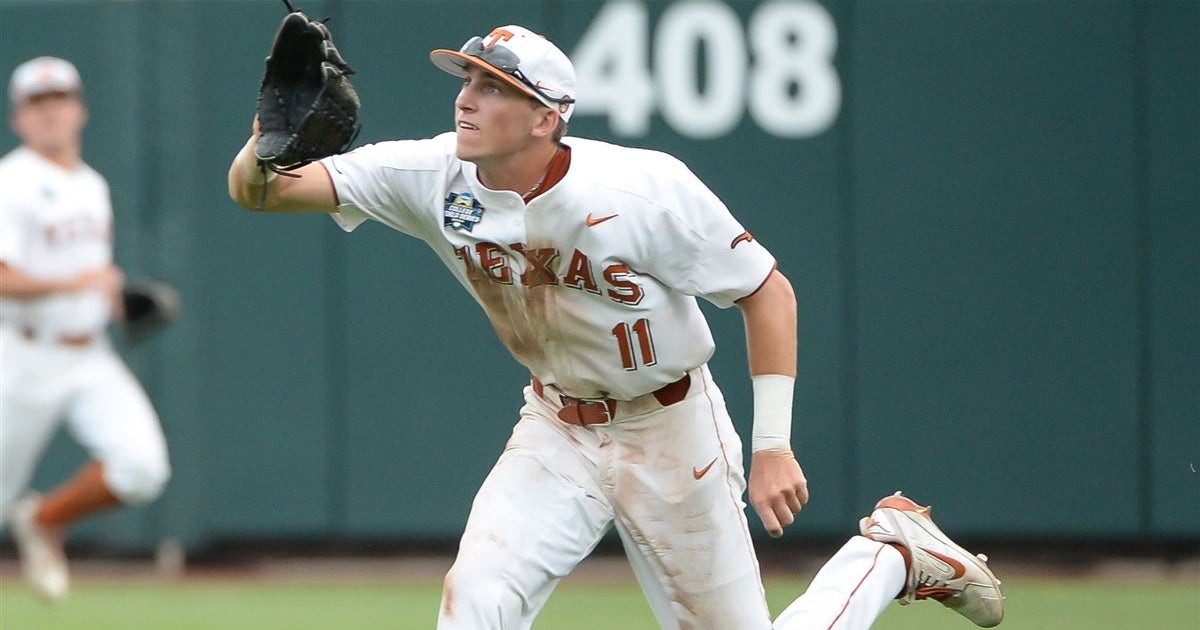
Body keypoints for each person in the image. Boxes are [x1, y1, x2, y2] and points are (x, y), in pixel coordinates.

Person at [228, 25, 1003, 629]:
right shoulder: (429, 174)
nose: (466, 99)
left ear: (545, 118)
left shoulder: (641, 188)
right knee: (476, 597)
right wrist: (267, 142)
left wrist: (772, 447)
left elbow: (769, 294)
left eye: (493, 87)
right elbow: (260, 195)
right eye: (466, 79)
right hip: (555, 427)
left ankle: (893, 553)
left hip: (670, 427)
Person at [0, 57, 172, 604]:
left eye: (58, 101)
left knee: (142, 469)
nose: (49, 113)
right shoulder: (13, 181)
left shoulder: (92, 185)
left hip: (89, 356)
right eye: (37, 104)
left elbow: (86, 276)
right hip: (22, 356)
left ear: (80, 111)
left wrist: (110, 295)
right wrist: (77, 281)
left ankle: (45, 519)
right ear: (18, 120)